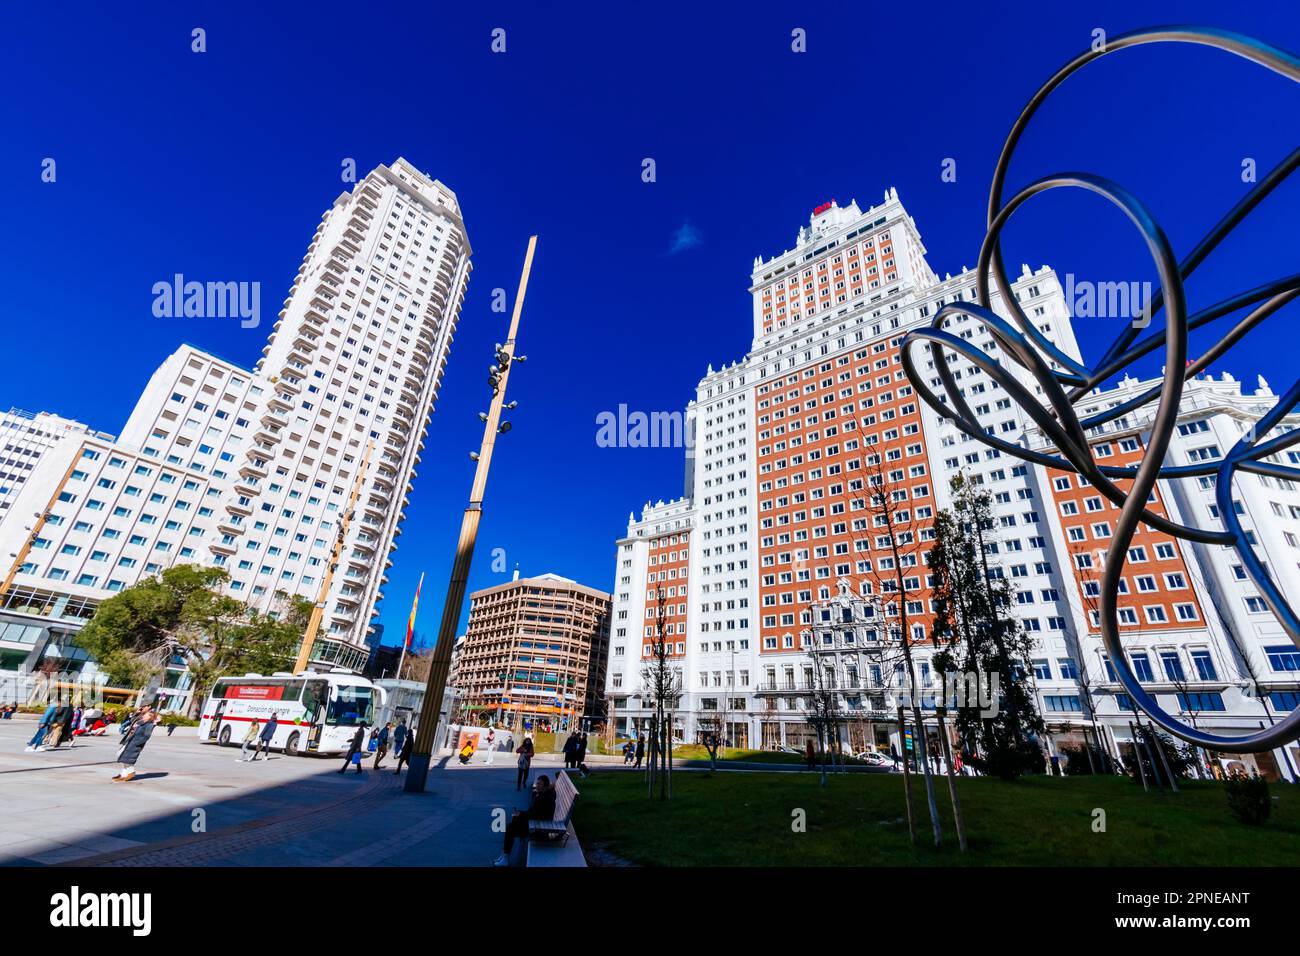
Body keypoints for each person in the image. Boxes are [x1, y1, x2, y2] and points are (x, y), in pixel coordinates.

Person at [493, 775, 556, 866]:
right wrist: (521, 814)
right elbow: (534, 812)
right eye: (537, 783)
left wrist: (521, 814)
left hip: (539, 827)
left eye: (540, 784)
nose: (537, 786)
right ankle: (504, 855)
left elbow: (535, 815)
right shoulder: (543, 795)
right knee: (513, 823)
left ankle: (505, 857)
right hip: (537, 822)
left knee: (510, 827)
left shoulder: (544, 798)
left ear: (545, 785)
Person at [113, 709, 161, 782]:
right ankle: (123, 774)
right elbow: (134, 721)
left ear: (150, 717)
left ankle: (130, 773)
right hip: (129, 741)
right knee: (123, 757)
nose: (144, 716)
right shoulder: (142, 723)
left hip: (135, 744)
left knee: (128, 760)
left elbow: (146, 736)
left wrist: (137, 743)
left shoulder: (149, 725)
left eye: (146, 715)